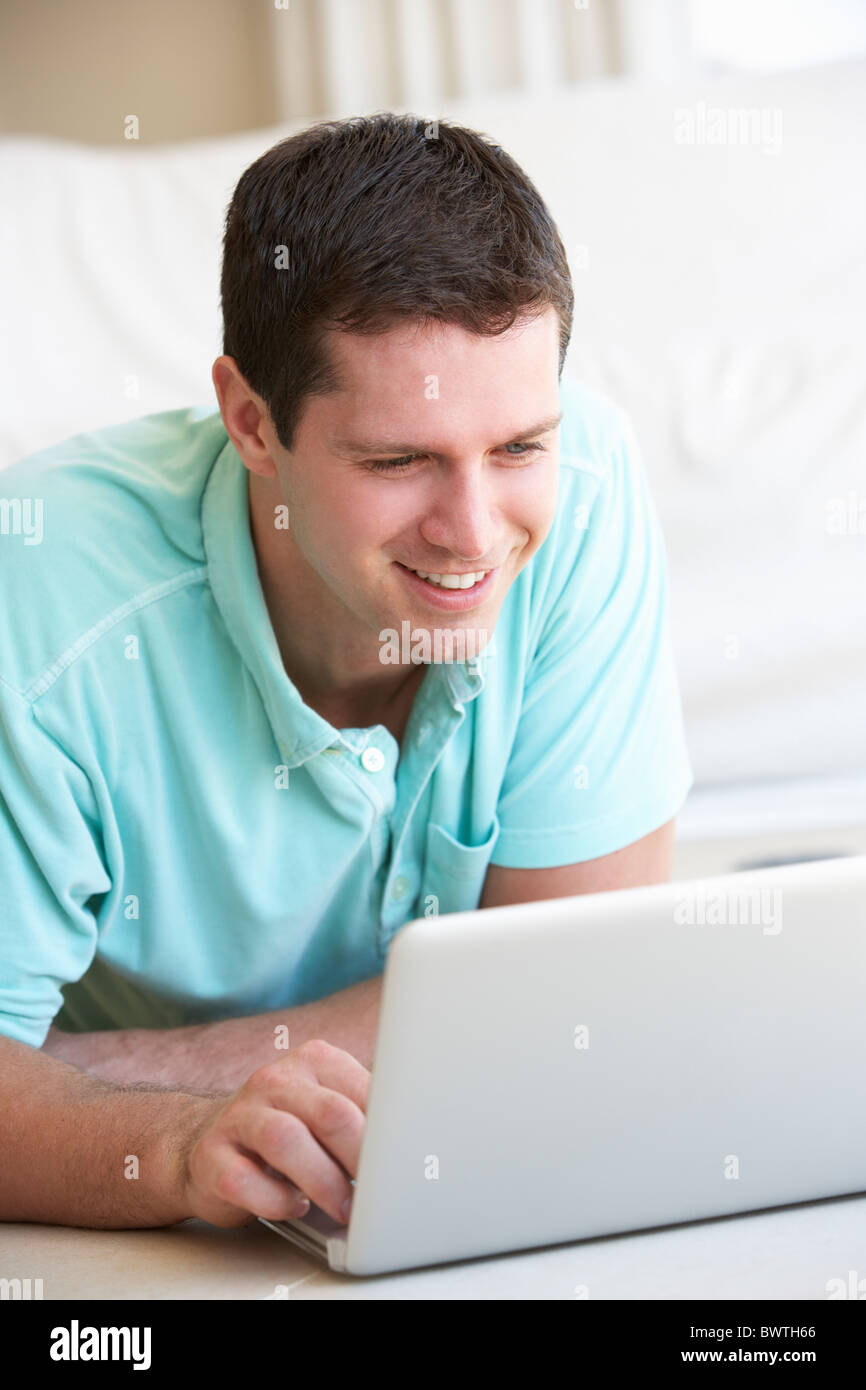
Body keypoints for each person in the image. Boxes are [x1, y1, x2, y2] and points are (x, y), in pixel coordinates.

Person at [0, 113, 693, 1230]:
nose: (473, 532)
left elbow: (576, 998)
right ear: (250, 421)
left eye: (516, 446)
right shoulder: (38, 607)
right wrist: (178, 1144)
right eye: (398, 460)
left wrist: (97, 1069)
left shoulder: (590, 492)